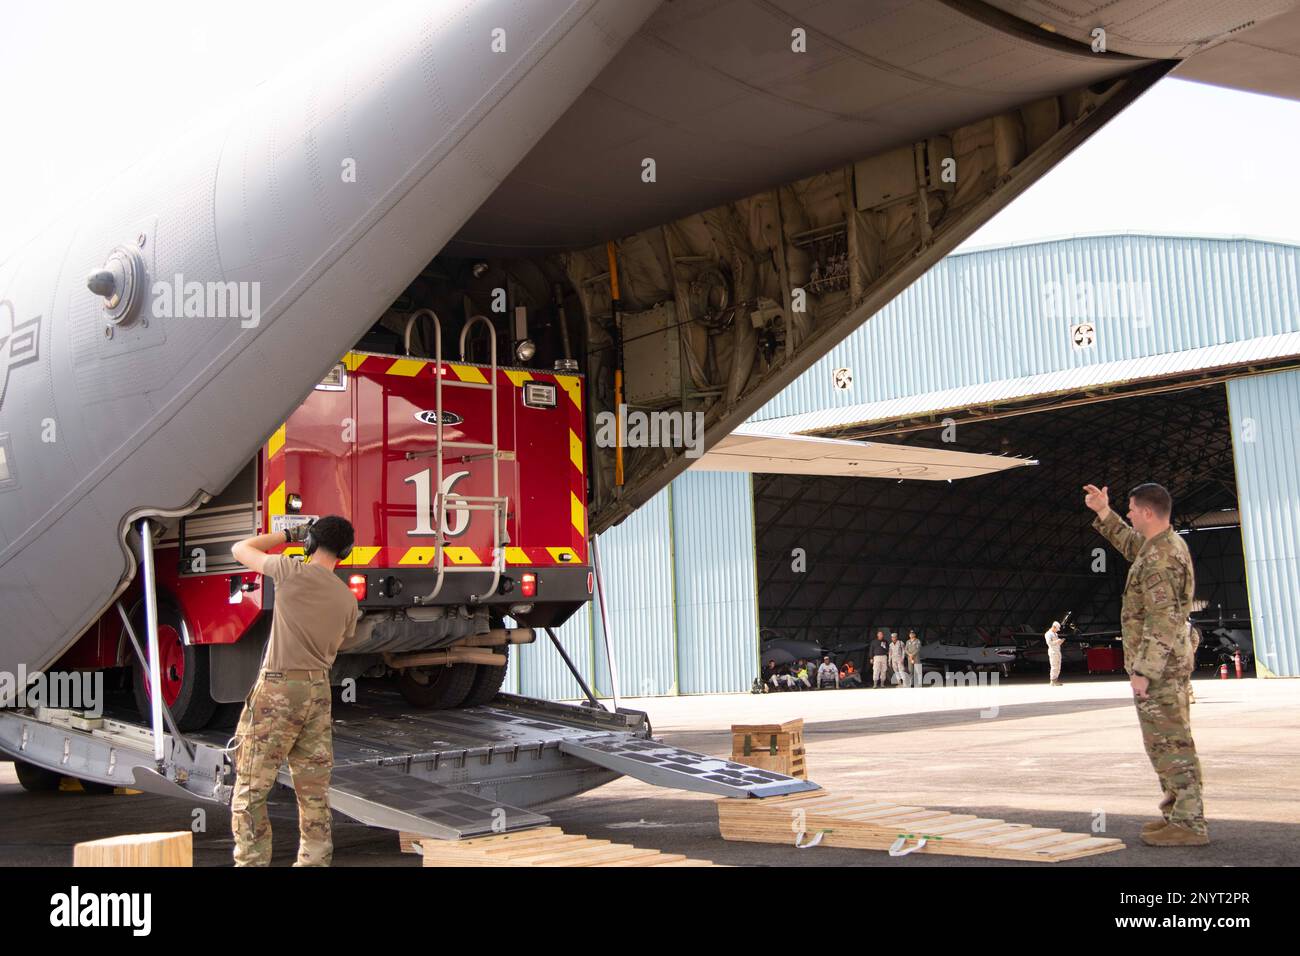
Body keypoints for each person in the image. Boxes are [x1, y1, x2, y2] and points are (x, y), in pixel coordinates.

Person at [229, 516, 360, 866]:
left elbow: (240, 549)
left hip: (278, 689)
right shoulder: (348, 600)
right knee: (314, 791)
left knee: (251, 788)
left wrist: (288, 533)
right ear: (346, 552)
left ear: (309, 544)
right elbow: (344, 640)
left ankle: (252, 862)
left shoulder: (290, 572)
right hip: (318, 693)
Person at [1085, 482, 1207, 847]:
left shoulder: (1162, 557)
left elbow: (1164, 618)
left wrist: (1144, 671)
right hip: (1165, 667)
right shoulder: (1158, 547)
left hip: (1161, 671)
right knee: (1162, 744)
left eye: (1133, 509)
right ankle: (1177, 815)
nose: (1131, 514)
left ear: (1149, 513)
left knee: (1172, 745)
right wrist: (1104, 512)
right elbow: (1128, 543)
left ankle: (1189, 823)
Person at [1044, 621, 1065, 686]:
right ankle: (1052, 681)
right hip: (1053, 652)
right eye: (1057, 629)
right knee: (1054, 666)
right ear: (1054, 627)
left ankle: (1055, 680)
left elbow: (1057, 643)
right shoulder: (1048, 634)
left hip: (1057, 651)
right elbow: (1049, 643)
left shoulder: (1055, 634)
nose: (1057, 631)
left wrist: (1060, 642)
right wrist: (1057, 641)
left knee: (1058, 666)